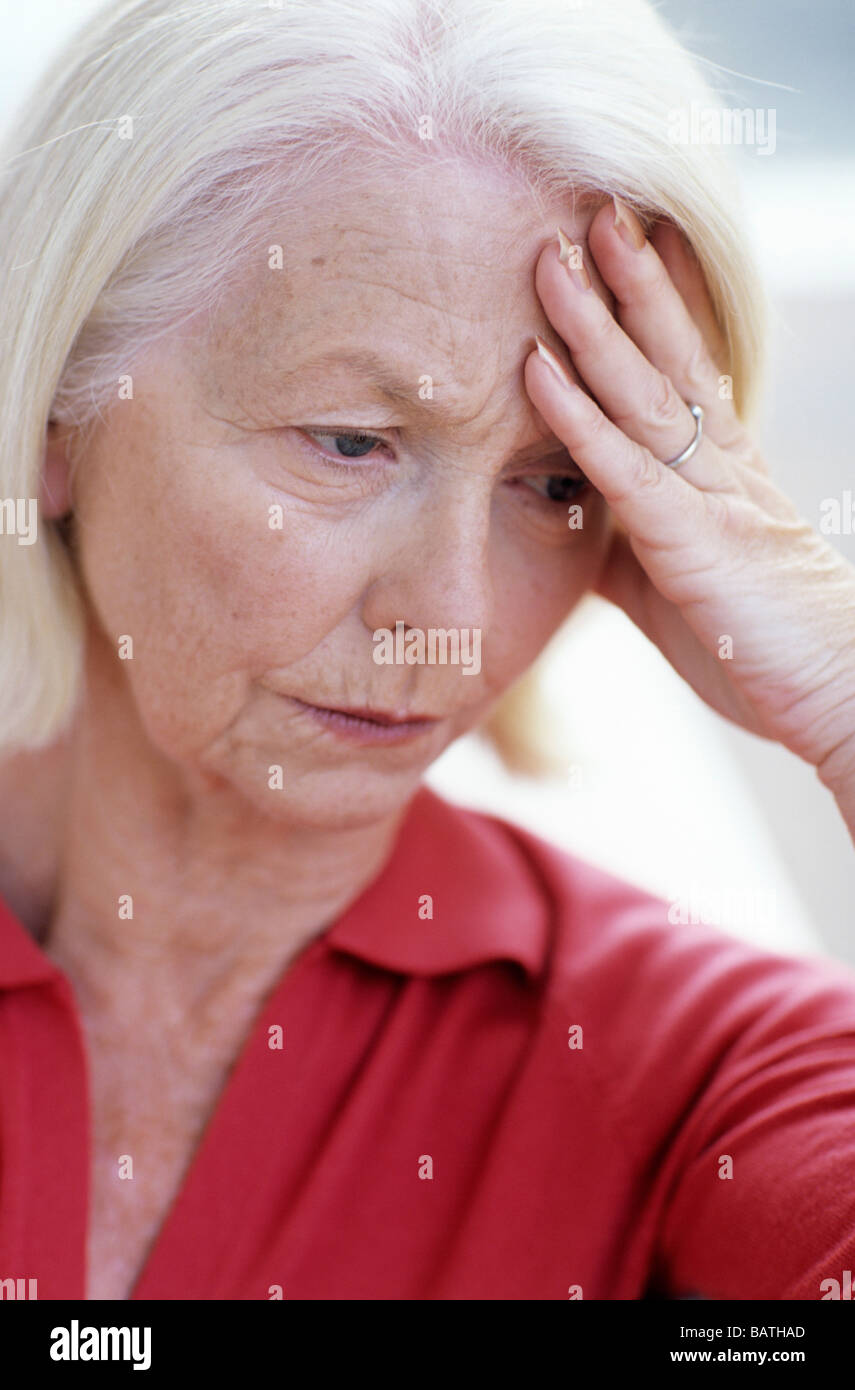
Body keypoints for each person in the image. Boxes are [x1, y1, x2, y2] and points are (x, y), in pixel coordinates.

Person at [0, 0, 854, 1302]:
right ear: (56, 410)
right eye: (352, 442)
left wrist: (844, 699)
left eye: (559, 484)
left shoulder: (702, 1071)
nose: (451, 614)